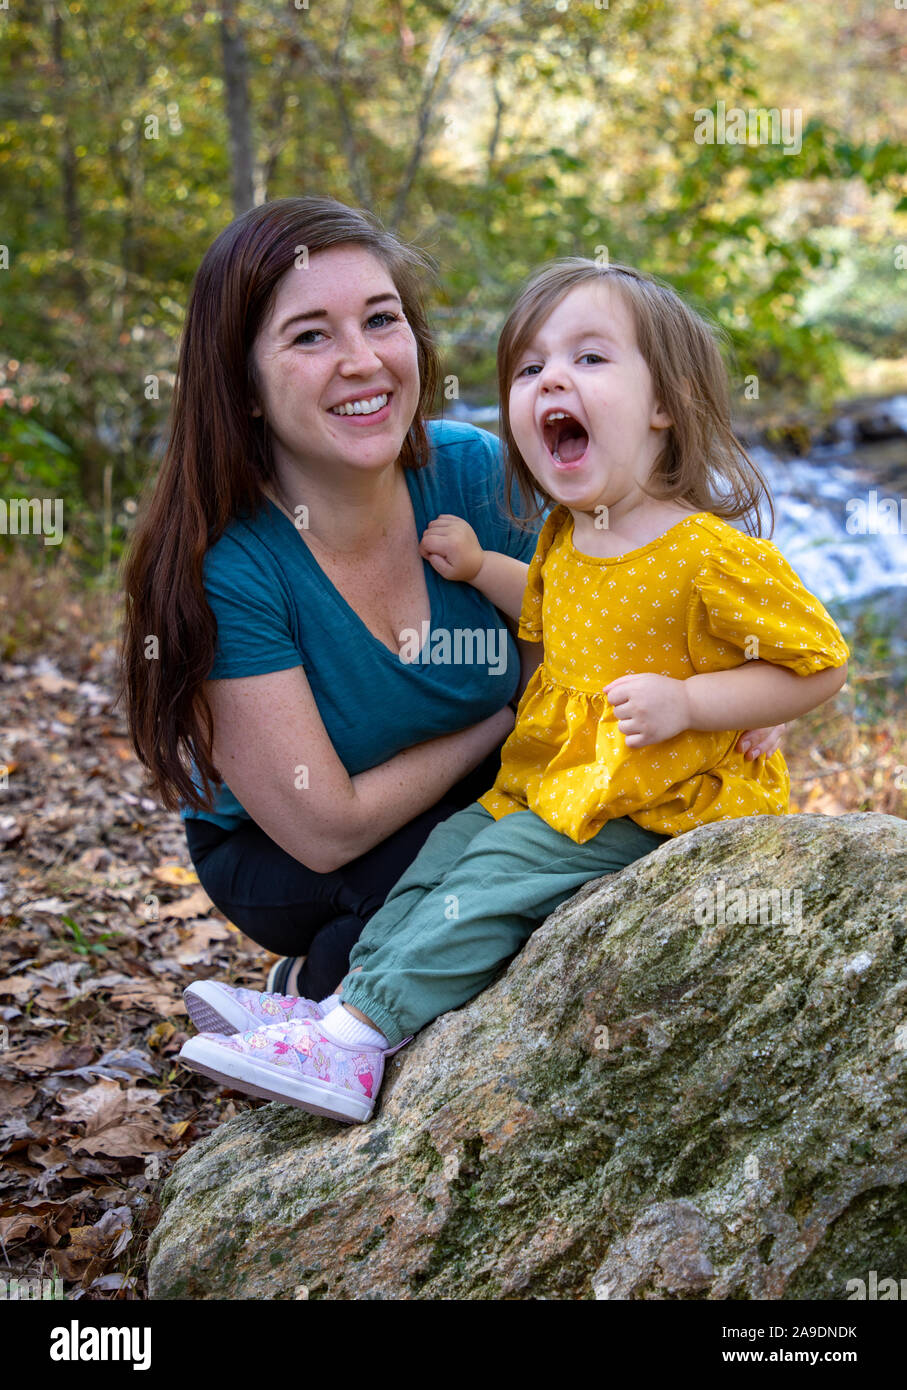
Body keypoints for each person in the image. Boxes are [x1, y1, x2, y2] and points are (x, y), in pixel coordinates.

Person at [179, 257, 849, 1123]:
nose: (550, 380)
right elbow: (540, 609)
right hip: (548, 778)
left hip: (642, 796)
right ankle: (332, 1001)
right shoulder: (572, 532)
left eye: (590, 359)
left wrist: (704, 707)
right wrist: (478, 566)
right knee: (441, 861)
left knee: (489, 881)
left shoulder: (708, 553)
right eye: (529, 369)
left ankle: (354, 1041)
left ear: (664, 405)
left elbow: (816, 661)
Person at [119, 201, 782, 1008]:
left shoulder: (474, 473)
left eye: (379, 319)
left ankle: (336, 981)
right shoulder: (232, 570)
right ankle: (314, 983)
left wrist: (738, 691)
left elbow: (612, 609)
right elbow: (327, 827)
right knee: (472, 874)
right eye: (310, 335)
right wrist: (507, 721)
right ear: (244, 387)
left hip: (494, 782)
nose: (361, 360)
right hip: (290, 854)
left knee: (580, 843)